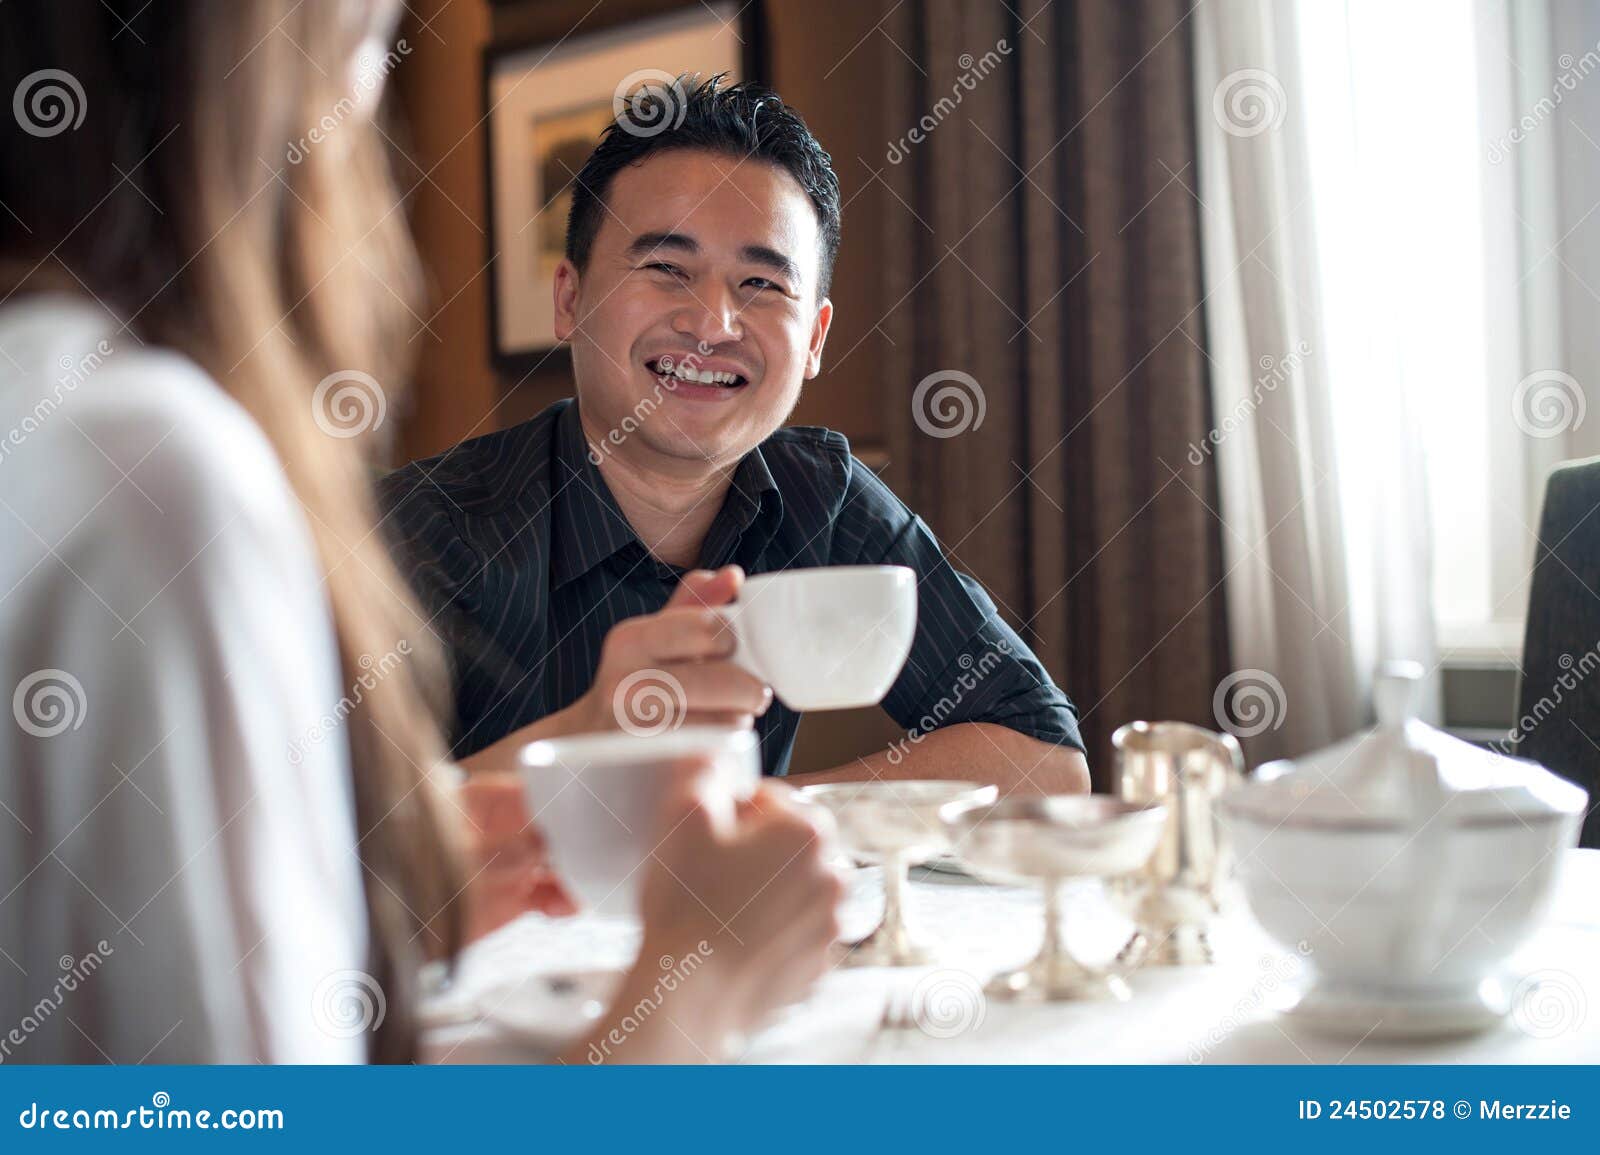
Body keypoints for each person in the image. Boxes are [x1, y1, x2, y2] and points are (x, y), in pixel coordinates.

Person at [0, 0, 839, 1065]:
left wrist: (387, 898)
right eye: (357, 44)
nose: (713, 320)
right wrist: (695, 987)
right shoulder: (156, 475)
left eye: (758, 282)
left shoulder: (53, 407)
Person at [380, 76, 1092, 793]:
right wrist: (591, 730)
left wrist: (761, 812)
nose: (713, 323)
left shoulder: (823, 498)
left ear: (814, 338)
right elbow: (337, 843)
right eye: (666, 267)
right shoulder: (419, 531)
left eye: (762, 284)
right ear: (570, 299)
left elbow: (1045, 761)